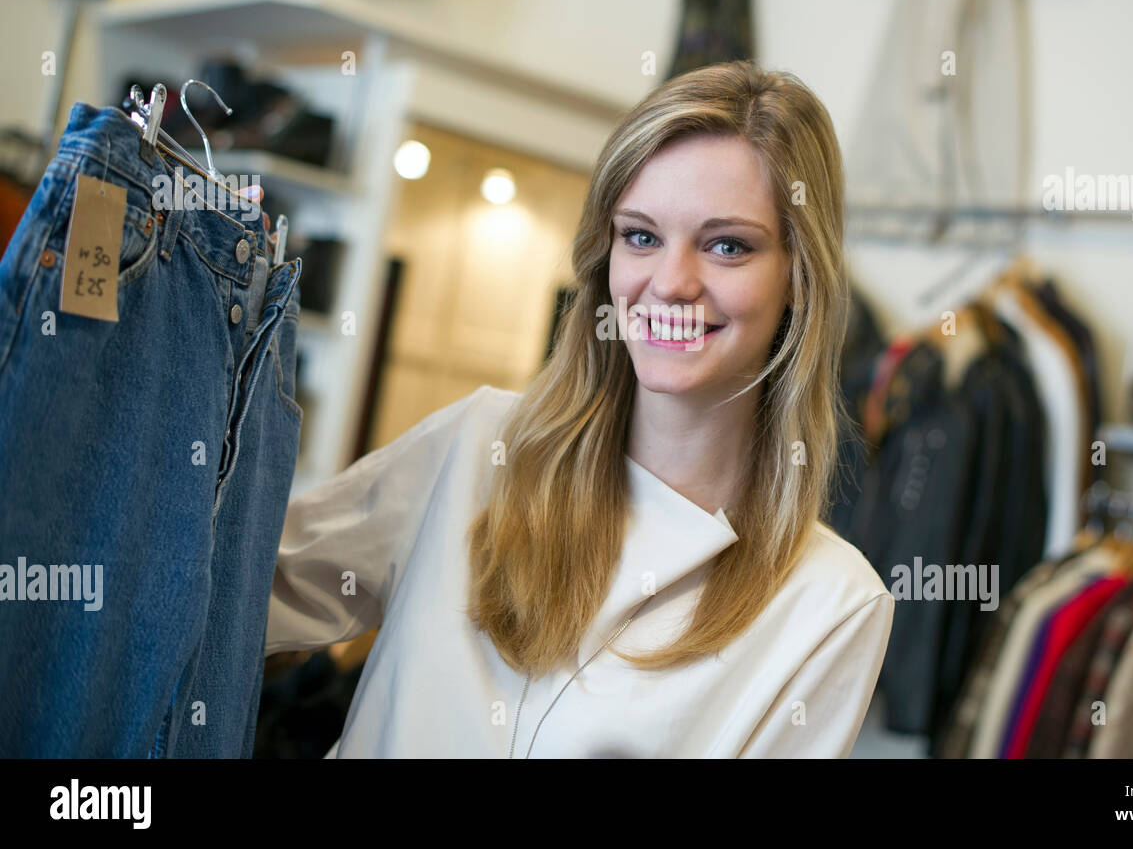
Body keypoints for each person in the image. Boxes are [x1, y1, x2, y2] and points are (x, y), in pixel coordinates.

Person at [265, 60, 895, 757]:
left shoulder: (832, 605)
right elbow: (239, 597)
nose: (671, 282)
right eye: (642, 236)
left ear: (800, 277)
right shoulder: (477, 446)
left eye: (727, 245)